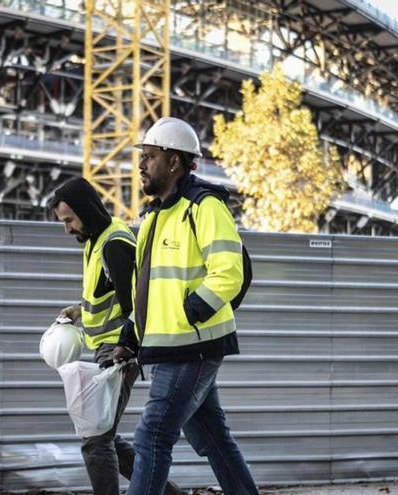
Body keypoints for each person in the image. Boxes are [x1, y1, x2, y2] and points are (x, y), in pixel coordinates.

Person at [112, 117, 259, 495]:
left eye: (149, 156)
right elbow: (144, 285)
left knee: (152, 437)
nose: (141, 165)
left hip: (190, 348)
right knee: (213, 439)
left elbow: (230, 271)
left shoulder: (204, 206)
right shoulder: (154, 216)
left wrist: (192, 311)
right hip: (167, 347)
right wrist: (131, 334)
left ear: (174, 161)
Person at [50, 178, 185, 495]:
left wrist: (126, 351)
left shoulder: (113, 244)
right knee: (103, 437)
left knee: (96, 440)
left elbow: (136, 305)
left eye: (69, 219)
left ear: (85, 211)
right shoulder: (97, 241)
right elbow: (109, 298)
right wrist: (79, 311)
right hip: (108, 351)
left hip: (118, 353)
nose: (67, 228)